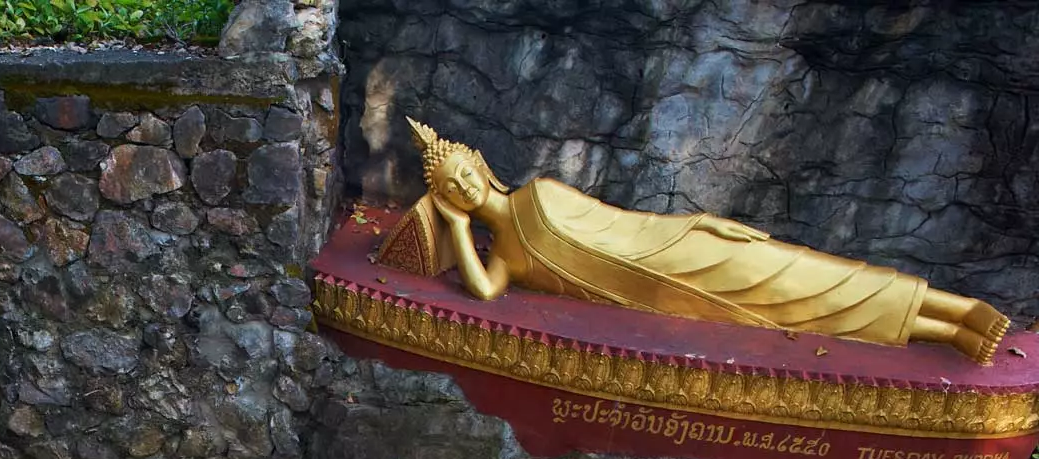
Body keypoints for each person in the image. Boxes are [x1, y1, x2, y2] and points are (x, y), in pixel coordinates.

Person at [381, 119, 1011, 365]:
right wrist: (460, 231)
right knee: (799, 313)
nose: (464, 185)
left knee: (800, 272)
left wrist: (702, 227)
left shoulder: (539, 194)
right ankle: (945, 333)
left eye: (465, 171)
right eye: (451, 188)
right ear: (446, 198)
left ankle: (955, 307)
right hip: (661, 298)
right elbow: (486, 293)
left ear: (482, 163)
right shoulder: (503, 257)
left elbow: (623, 224)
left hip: (677, 253)